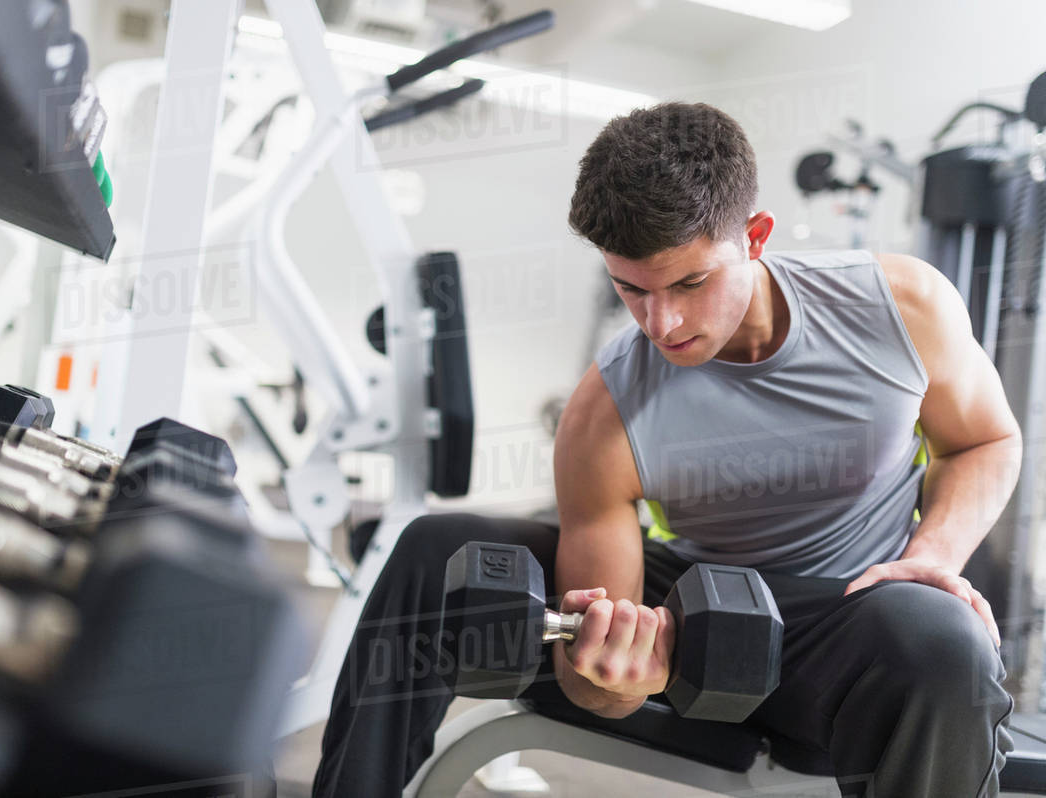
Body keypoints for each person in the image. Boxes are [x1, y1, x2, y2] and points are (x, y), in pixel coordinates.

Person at [311, 102, 1022, 797]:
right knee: (438, 551)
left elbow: (985, 441)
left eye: (690, 282)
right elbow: (593, 676)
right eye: (631, 289)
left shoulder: (899, 308)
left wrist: (929, 559)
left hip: (847, 614)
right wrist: (619, 684)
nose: (663, 322)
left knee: (938, 635)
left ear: (756, 235)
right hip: (692, 611)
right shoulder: (605, 413)